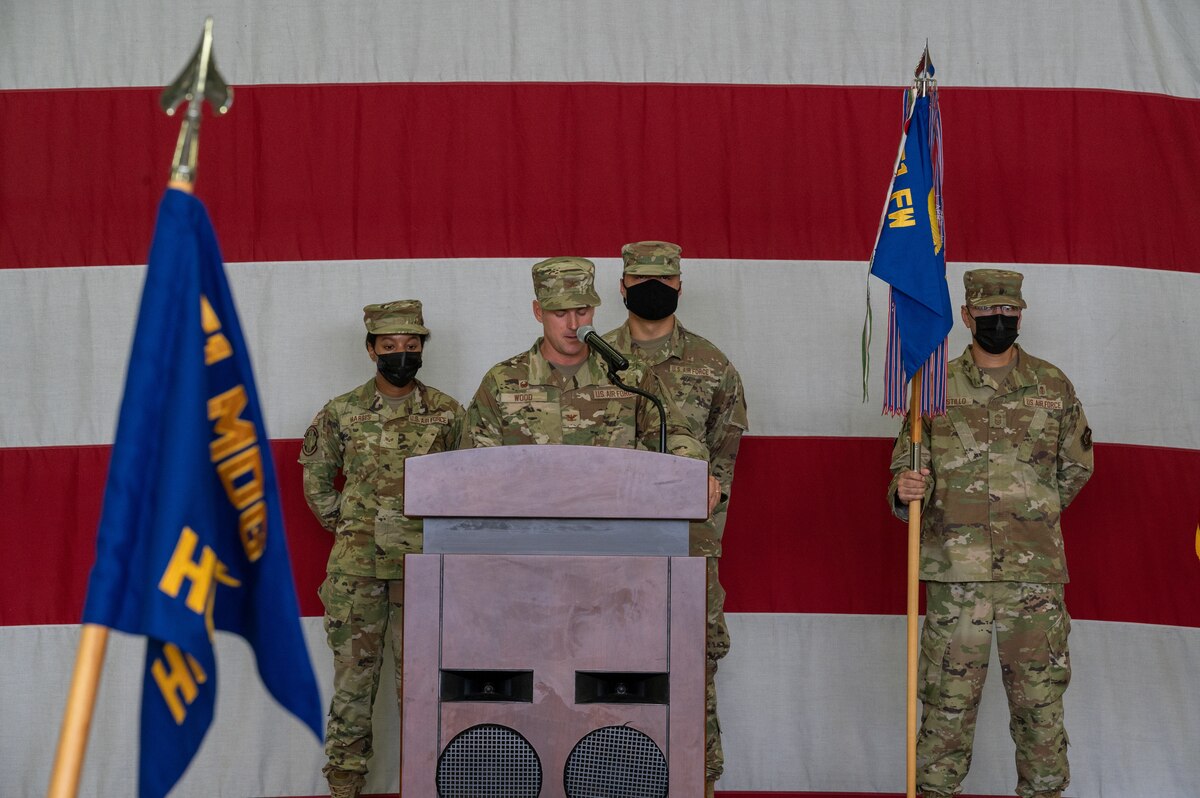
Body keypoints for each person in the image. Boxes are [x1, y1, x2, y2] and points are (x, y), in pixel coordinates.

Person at [888, 269, 1094, 798]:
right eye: (988, 314)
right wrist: (907, 489)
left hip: (1034, 582)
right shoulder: (931, 386)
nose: (999, 322)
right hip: (958, 582)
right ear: (966, 316)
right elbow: (907, 473)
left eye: (1009, 314)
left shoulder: (1052, 385)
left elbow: (1076, 467)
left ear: (1021, 316)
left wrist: (1032, 516)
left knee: (1041, 717)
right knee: (944, 718)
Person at [299, 300, 464, 798]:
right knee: (353, 690)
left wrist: (438, 539)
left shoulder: (448, 413)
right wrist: (353, 527)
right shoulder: (342, 412)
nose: (402, 354)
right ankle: (345, 787)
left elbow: (469, 486)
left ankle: (427, 786)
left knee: (424, 689)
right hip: (358, 573)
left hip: (424, 571)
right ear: (371, 350)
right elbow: (317, 480)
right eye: (390, 346)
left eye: (411, 346)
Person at [602, 241, 747, 796]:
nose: (653, 288)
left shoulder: (713, 365)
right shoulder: (592, 358)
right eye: (640, 279)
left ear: (681, 285)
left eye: (664, 279)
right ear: (622, 286)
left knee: (693, 669)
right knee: (604, 667)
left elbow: (723, 459)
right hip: (608, 549)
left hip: (690, 550)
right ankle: (610, 778)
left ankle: (699, 782)